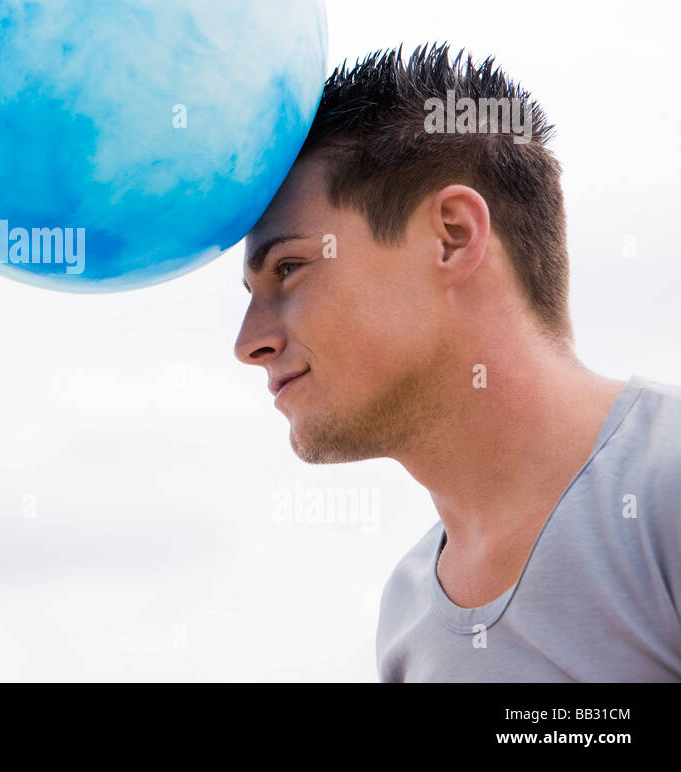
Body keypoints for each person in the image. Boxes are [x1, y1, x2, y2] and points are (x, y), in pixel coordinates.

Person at [233, 43, 681, 681]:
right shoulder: (406, 613)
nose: (248, 342)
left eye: (289, 268)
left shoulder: (665, 487)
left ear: (453, 237)